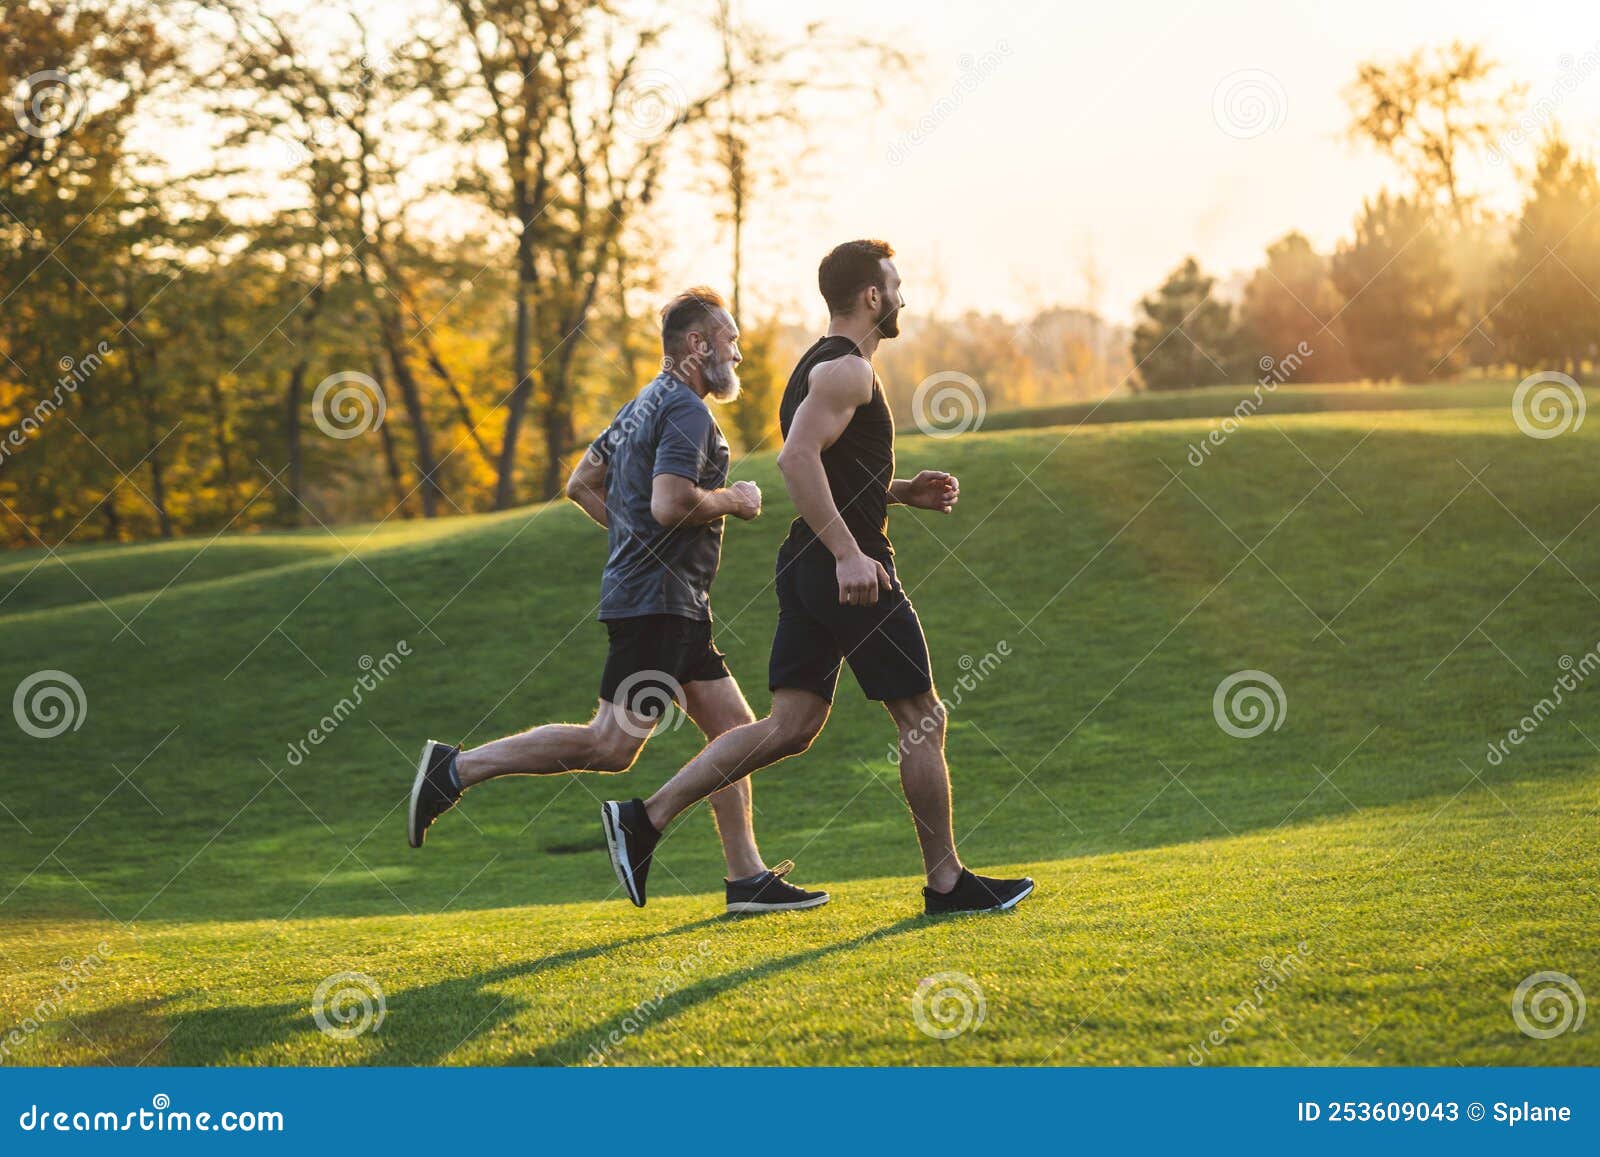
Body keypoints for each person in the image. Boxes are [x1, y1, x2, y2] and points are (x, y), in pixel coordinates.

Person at [601, 242, 1034, 915]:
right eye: (895, 284)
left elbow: (829, 469)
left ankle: (645, 819)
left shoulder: (816, 366)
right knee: (923, 716)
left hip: (809, 563)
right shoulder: (849, 371)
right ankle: (947, 883)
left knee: (792, 724)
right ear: (870, 296)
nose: (903, 296)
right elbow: (795, 460)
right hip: (843, 567)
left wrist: (897, 491)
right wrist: (849, 553)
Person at [411, 287, 828, 916]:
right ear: (698, 345)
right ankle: (457, 769)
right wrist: (733, 500)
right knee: (610, 744)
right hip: (657, 607)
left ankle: (746, 876)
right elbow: (670, 502)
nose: (738, 354)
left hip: (671, 604)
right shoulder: (687, 411)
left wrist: (637, 543)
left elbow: (582, 483)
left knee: (735, 736)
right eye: (731, 340)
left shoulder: (639, 407)